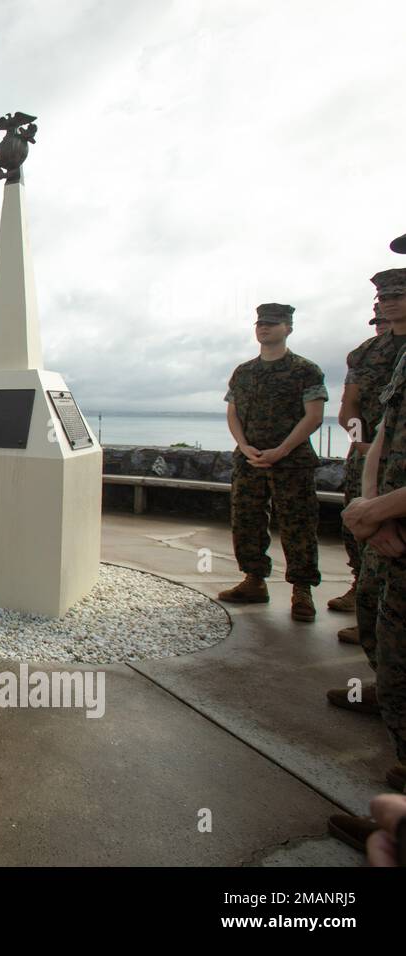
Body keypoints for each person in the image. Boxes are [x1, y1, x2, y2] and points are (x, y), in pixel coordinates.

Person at [334, 268, 406, 854]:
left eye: (398, 291)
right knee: (380, 625)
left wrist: (378, 508)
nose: (386, 299)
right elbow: (373, 430)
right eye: (383, 292)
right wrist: (372, 508)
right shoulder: (384, 358)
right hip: (387, 522)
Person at [218, 303, 326, 622]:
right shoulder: (244, 372)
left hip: (292, 462)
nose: (263, 328)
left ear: (288, 328)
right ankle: (254, 580)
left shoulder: (306, 370)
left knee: (298, 524)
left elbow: (314, 416)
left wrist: (281, 450)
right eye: (260, 323)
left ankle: (302, 590)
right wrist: (245, 446)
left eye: (272, 323)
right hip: (249, 460)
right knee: (246, 520)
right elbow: (233, 412)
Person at [333, 295, 406, 651]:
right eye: (385, 299)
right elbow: (349, 408)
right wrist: (362, 447)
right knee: (364, 544)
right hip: (371, 462)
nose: (388, 308)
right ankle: (375, 630)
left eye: (399, 295)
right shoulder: (365, 354)